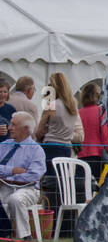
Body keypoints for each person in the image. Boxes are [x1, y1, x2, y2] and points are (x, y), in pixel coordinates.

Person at [34, 72, 84, 216]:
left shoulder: (52, 105)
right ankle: (64, 219)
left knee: (50, 186)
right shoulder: (73, 105)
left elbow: (39, 131)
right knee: (63, 186)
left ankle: (51, 216)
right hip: (66, 149)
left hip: (51, 147)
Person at [0, 112, 46, 242]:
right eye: (10, 124)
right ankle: (5, 234)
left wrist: (7, 177)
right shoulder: (4, 145)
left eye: (14, 125)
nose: (9, 128)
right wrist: (13, 170)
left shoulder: (36, 150)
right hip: (4, 187)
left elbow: (34, 176)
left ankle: (25, 237)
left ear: (26, 129)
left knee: (16, 199)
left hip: (28, 189)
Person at [77, 81, 108, 194]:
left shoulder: (78, 113)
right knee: (99, 189)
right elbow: (107, 139)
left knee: (83, 191)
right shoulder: (101, 112)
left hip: (81, 158)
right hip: (97, 158)